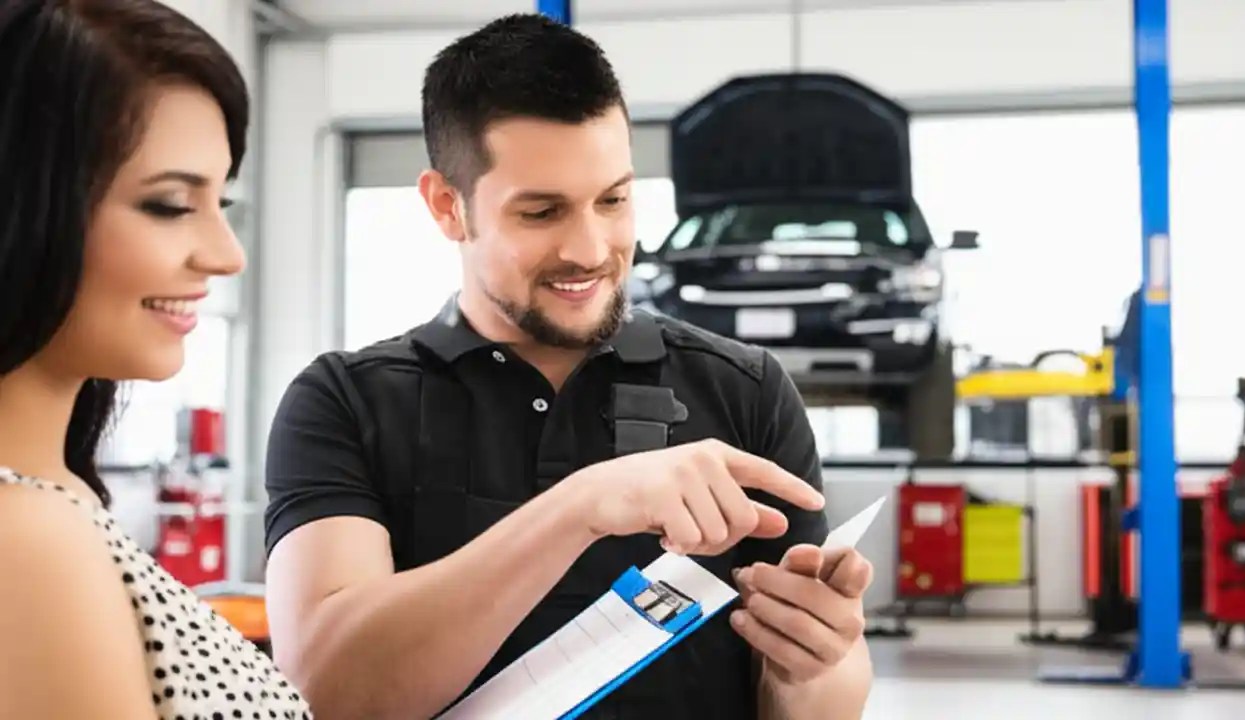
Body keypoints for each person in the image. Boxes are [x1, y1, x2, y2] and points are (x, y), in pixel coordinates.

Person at [264, 13, 873, 720]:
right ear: (446, 206)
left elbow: (817, 698)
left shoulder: (745, 390)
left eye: (613, 200)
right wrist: (580, 508)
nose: (590, 248)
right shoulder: (345, 402)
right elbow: (326, 691)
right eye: (542, 212)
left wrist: (812, 668)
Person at [0, 1, 312, 717]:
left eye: (221, 202)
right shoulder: (30, 541)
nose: (225, 254)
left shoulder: (60, 509)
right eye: (171, 205)